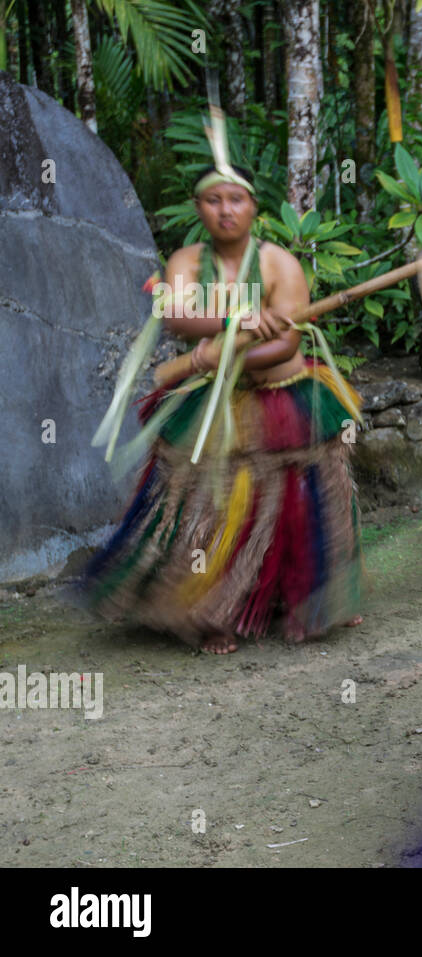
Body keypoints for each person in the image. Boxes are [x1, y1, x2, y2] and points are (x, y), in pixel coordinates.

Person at [83, 164, 363, 655]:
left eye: (236, 199)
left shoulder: (279, 264)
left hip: (284, 392)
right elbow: (176, 318)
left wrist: (226, 351)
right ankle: (215, 608)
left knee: (298, 498)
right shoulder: (187, 263)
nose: (226, 210)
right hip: (213, 398)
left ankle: (306, 598)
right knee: (211, 505)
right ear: (199, 208)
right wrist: (238, 320)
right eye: (214, 200)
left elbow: (285, 344)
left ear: (254, 206)